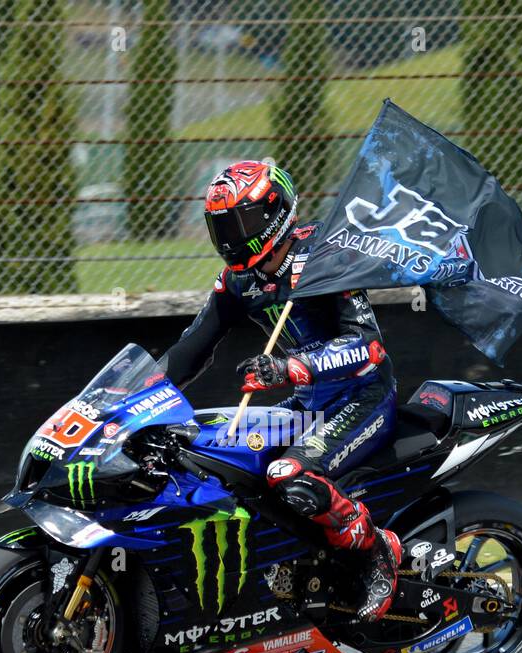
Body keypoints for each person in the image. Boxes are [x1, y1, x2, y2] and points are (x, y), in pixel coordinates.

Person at [161, 160, 403, 621]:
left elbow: (369, 347)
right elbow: (191, 350)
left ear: (274, 213)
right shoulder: (239, 280)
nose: (229, 236)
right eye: (220, 226)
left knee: (288, 473)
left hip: (361, 397)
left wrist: (290, 366)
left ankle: (379, 555)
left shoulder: (325, 257)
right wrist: (138, 395)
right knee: (223, 457)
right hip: (309, 402)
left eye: (239, 222)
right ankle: (295, 561)